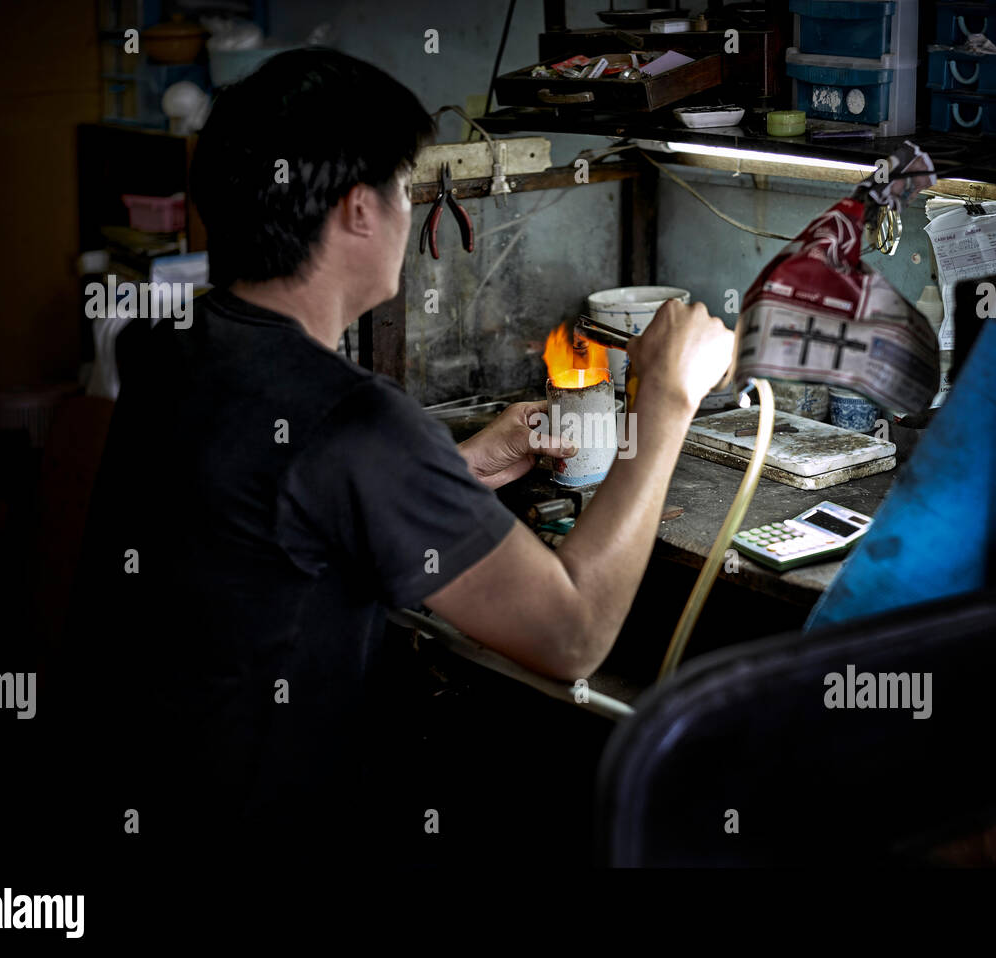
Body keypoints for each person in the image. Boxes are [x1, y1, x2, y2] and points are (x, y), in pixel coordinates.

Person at [62, 48, 733, 866]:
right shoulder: (354, 422)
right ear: (357, 211)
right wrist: (663, 402)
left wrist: (461, 470)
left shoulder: (167, 349)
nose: (410, 212)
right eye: (404, 189)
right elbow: (573, 633)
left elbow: (279, 517)